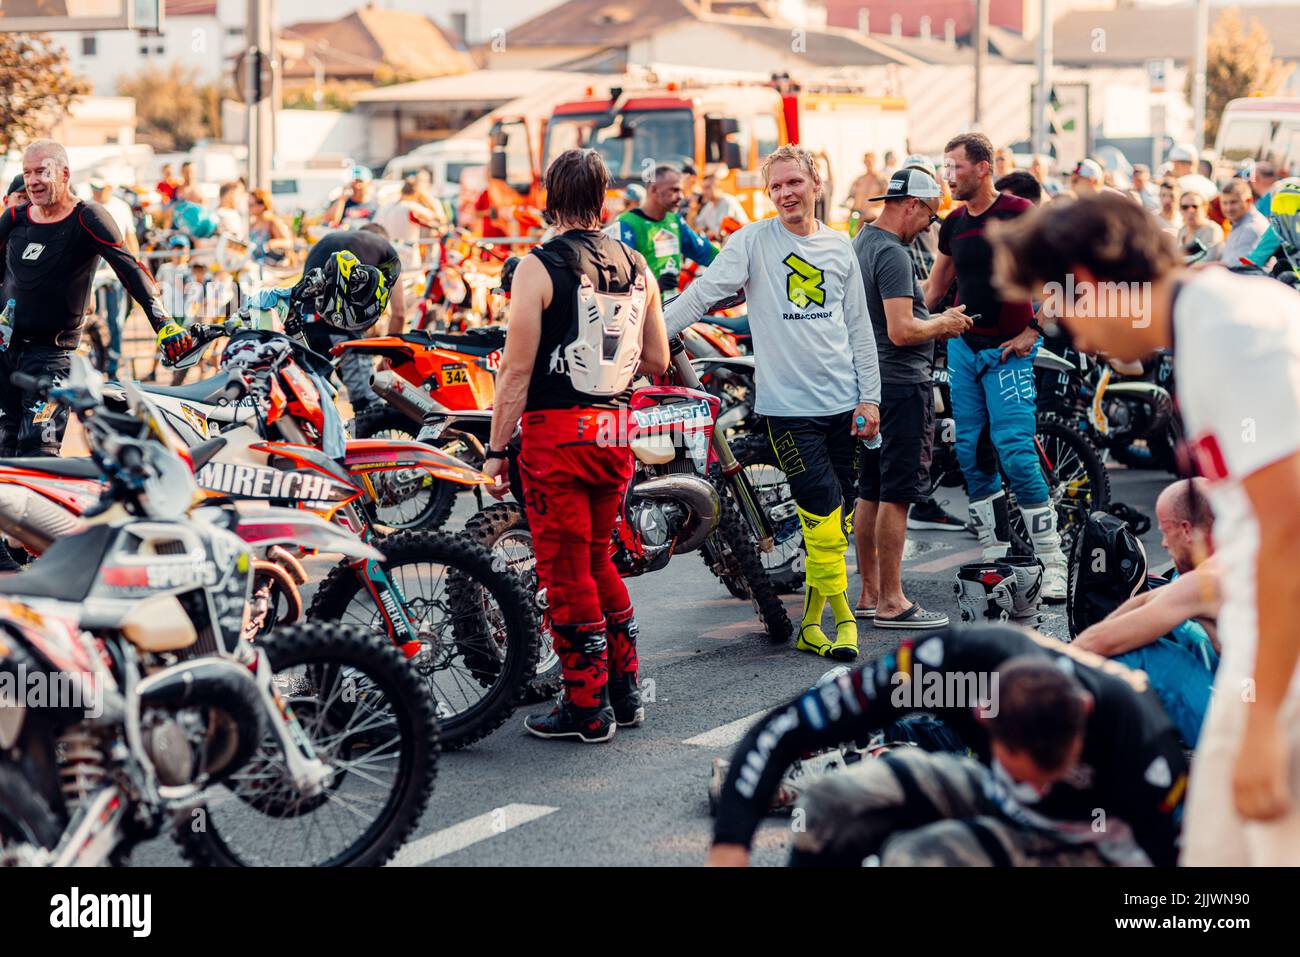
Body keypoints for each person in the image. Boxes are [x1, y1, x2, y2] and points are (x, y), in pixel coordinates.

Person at [991, 191, 1300, 866]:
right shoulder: (1210, 322)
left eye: (1063, 312)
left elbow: (1289, 537)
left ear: (1093, 283)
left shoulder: (1231, 332)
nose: (1076, 340)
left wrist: (1264, 726)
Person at [708, 624, 1187, 867]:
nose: (1038, 787)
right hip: (991, 795)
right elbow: (784, 729)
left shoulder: (1143, 742)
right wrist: (730, 844)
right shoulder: (949, 666)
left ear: (1083, 712)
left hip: (1089, 845)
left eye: (1053, 771)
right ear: (982, 716)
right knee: (830, 802)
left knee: (922, 857)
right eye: (1023, 772)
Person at [665, 144, 881, 660]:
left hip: (844, 404)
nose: (786, 193)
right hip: (788, 410)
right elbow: (699, 297)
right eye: (776, 186)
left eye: (794, 183)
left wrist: (870, 399)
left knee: (832, 523)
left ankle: (810, 625)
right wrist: (642, 342)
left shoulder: (839, 246)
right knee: (824, 513)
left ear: (816, 186)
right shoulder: (753, 242)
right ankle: (845, 619)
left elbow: (859, 328)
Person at [481, 148, 669, 743]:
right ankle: (626, 692)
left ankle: (587, 709)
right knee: (597, 561)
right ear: (605, 195)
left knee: (565, 573)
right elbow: (659, 359)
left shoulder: (538, 266)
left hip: (556, 436)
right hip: (614, 432)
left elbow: (514, 372)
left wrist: (493, 448)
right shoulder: (638, 263)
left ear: (550, 194)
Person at [923, 131, 1068, 600]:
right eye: (945, 168)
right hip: (965, 350)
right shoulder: (953, 223)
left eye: (955, 167)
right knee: (971, 453)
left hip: (1008, 351)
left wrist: (1033, 331)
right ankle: (995, 553)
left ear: (983, 167)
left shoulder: (1019, 213)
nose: (948, 177)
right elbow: (932, 291)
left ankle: (1053, 561)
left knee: (1017, 454)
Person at [0, 140, 181, 458]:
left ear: (65, 173)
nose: (32, 181)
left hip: (50, 357)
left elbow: (131, 270)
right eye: (27, 173)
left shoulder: (87, 217)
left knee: (36, 455)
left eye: (42, 171)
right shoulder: (15, 218)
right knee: (5, 448)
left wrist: (164, 323)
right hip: (6, 353)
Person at [852, 167, 971, 628]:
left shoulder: (863, 241)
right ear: (913, 205)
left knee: (871, 489)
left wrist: (928, 308)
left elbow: (893, 310)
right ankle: (892, 601)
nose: (930, 226)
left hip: (873, 385)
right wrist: (943, 322)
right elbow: (902, 331)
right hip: (902, 384)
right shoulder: (894, 253)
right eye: (930, 215)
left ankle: (869, 593)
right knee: (897, 494)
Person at [1075, 479, 1220, 747]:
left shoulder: (1206, 580)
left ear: (1187, 529)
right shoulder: (1240, 554)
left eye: (1165, 531)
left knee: (1143, 653)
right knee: (1177, 617)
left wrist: (1055, 663)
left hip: (1260, 733)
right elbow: (1147, 601)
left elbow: (1101, 641)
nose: (1163, 543)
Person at [298, 228, 405, 417]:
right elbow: (399, 313)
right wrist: (386, 358)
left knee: (311, 393)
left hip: (304, 322)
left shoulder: (330, 239)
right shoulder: (387, 251)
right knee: (369, 403)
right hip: (340, 324)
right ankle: (371, 442)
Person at [609, 164, 716, 289]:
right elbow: (620, 279)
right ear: (654, 190)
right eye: (674, 190)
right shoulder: (626, 224)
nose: (681, 196)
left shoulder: (674, 219)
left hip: (673, 305)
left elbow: (704, 252)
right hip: (643, 306)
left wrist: (736, 262)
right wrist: (653, 286)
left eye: (681, 190)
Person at [88, 177, 140, 379]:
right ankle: (97, 364)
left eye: (100, 188)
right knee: (93, 319)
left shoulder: (121, 206)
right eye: (94, 188)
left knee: (115, 321)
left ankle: (112, 367)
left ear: (109, 187)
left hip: (114, 266)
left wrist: (135, 269)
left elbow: (130, 237)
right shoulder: (87, 205)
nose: (96, 192)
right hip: (94, 268)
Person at [1210, 178, 1270, 264]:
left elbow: (1237, 268)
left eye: (1233, 202)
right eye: (1224, 203)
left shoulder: (1251, 228)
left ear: (1249, 201)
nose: (1228, 208)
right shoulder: (1239, 222)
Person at [694, 170, 749, 238]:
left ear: (717, 187)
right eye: (703, 188)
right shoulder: (709, 206)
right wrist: (693, 208)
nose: (704, 192)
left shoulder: (727, 201)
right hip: (728, 244)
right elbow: (696, 227)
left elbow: (722, 232)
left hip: (740, 243)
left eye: (708, 187)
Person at [248, 189, 294, 267]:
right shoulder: (252, 224)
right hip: (256, 265)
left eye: (251, 205)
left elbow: (288, 242)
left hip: (273, 267)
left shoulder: (272, 222)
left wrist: (270, 244)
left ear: (262, 206)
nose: (248, 208)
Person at [1176, 191, 1223, 256]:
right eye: (1185, 207)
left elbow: (1209, 258)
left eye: (1195, 206)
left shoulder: (1212, 229)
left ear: (1205, 208)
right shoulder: (1182, 230)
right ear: (1180, 210)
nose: (1190, 211)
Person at [848, 152, 889, 225]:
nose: (868, 164)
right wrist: (851, 213)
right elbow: (852, 198)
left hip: (873, 218)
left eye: (870, 161)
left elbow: (888, 198)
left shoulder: (881, 179)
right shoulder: (859, 179)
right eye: (866, 161)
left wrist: (877, 210)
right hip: (859, 217)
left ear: (875, 161)